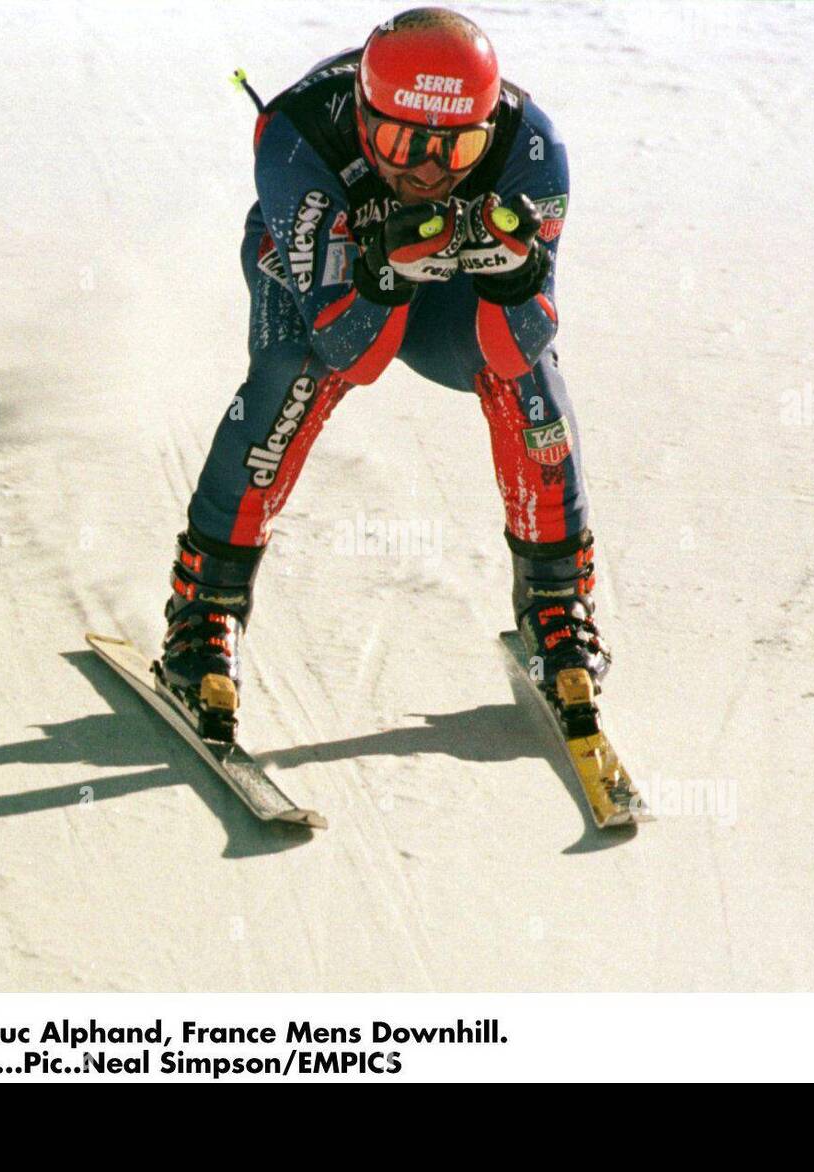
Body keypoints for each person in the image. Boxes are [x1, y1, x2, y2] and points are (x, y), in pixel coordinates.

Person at [157, 6, 608, 736]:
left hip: (443, 293)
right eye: (401, 142)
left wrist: (515, 281)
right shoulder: (299, 133)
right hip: (333, 287)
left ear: (489, 132)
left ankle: (557, 599)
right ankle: (205, 608)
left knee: (530, 380)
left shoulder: (534, 150)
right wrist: (381, 275)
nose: (425, 172)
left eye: (454, 151)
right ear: (365, 118)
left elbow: (509, 348)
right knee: (294, 368)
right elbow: (351, 352)